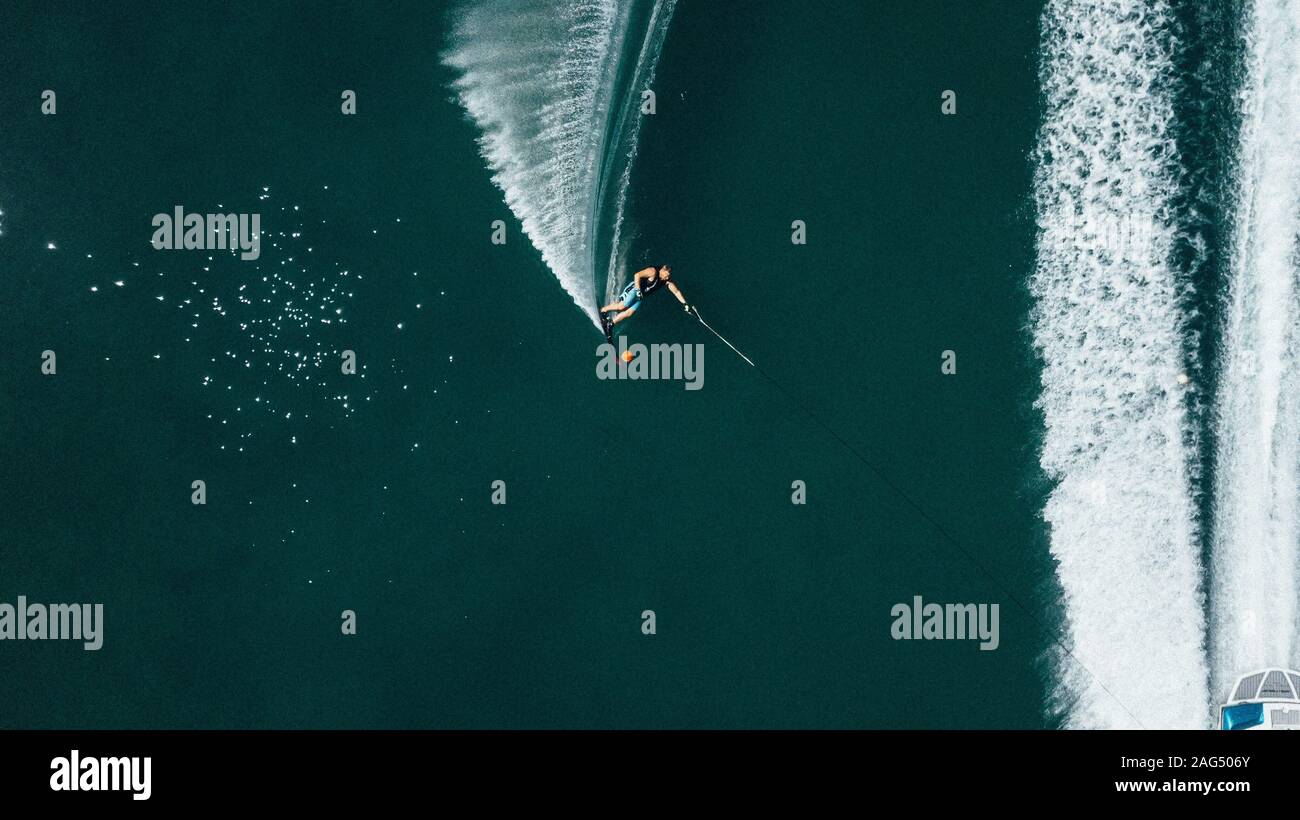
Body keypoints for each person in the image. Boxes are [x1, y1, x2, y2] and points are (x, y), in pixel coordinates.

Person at [599, 265, 691, 341]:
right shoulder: (653, 271)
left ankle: (610, 324)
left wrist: (685, 304)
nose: (667, 277)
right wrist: (638, 290)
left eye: (668, 276)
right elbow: (637, 275)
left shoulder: (666, 281)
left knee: (630, 312)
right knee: (621, 307)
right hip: (635, 289)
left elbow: (676, 292)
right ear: (663, 269)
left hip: (641, 296)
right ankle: (603, 310)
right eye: (666, 275)